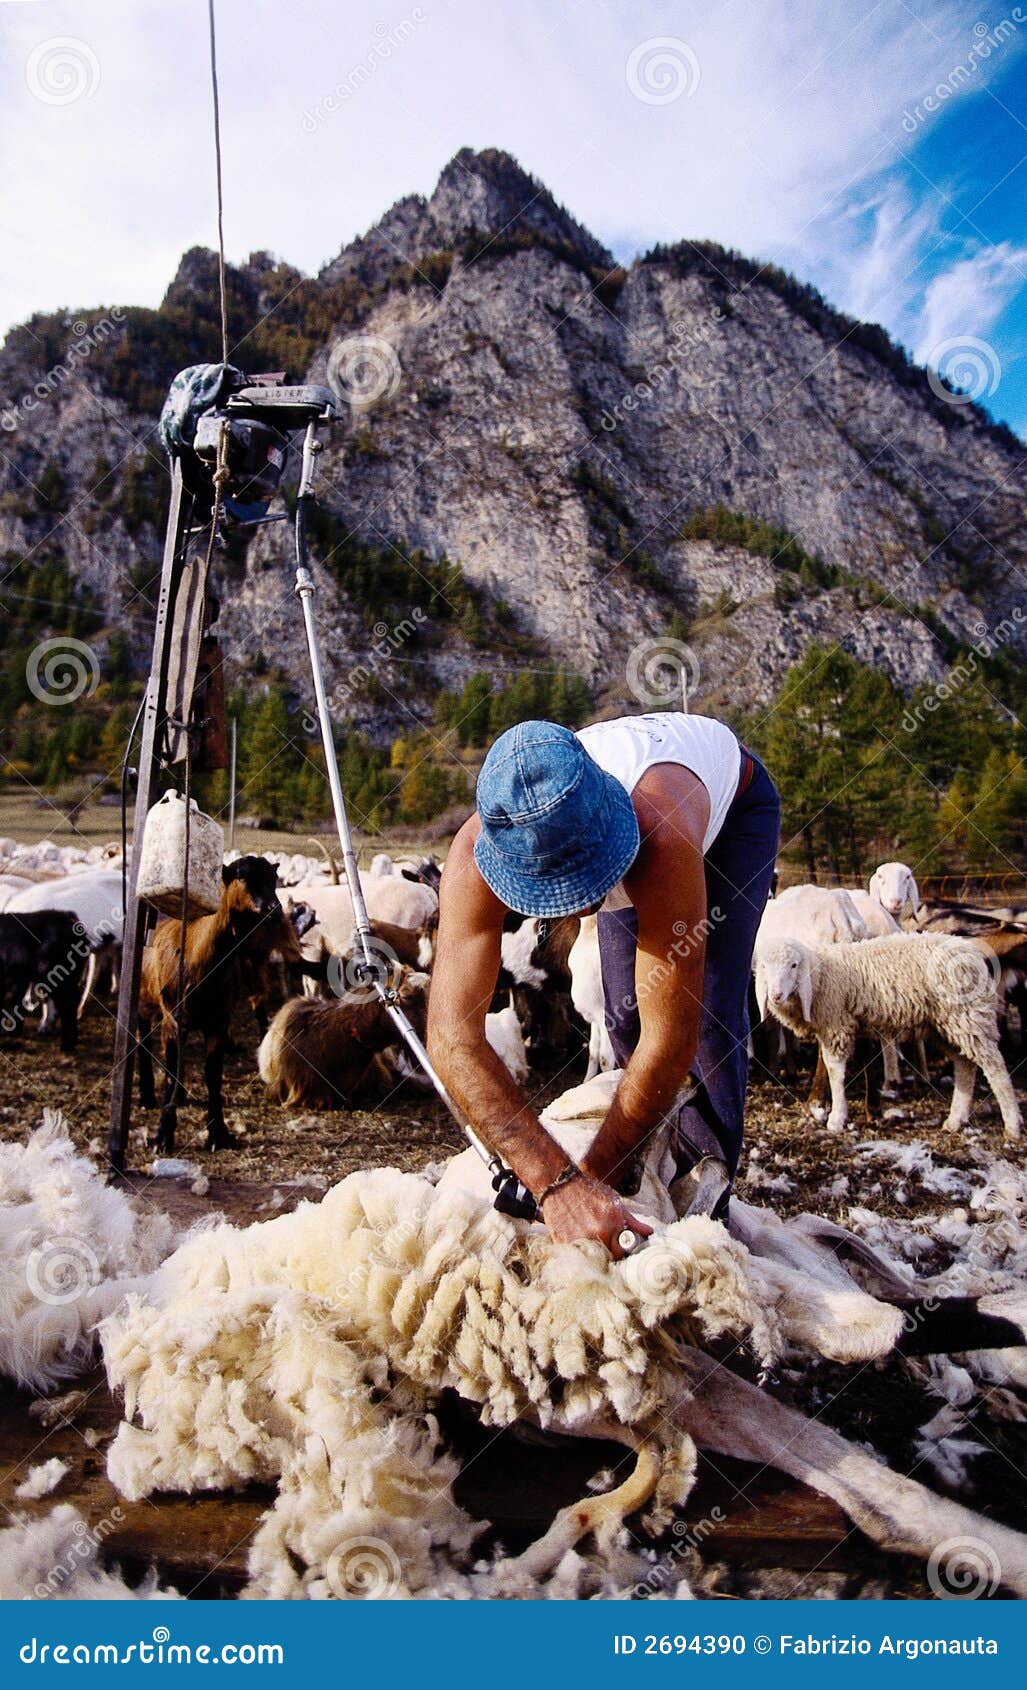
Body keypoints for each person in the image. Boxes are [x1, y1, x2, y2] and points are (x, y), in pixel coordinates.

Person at [427, 712, 780, 1256]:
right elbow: (451, 1040)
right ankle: (642, 1164)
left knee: (702, 1016)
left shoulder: (660, 830)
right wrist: (554, 1182)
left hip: (730, 819)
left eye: (584, 880)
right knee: (622, 1012)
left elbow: (670, 1040)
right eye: (552, 889)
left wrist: (587, 1179)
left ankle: (705, 1205)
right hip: (618, 828)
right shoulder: (470, 861)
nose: (578, 904)